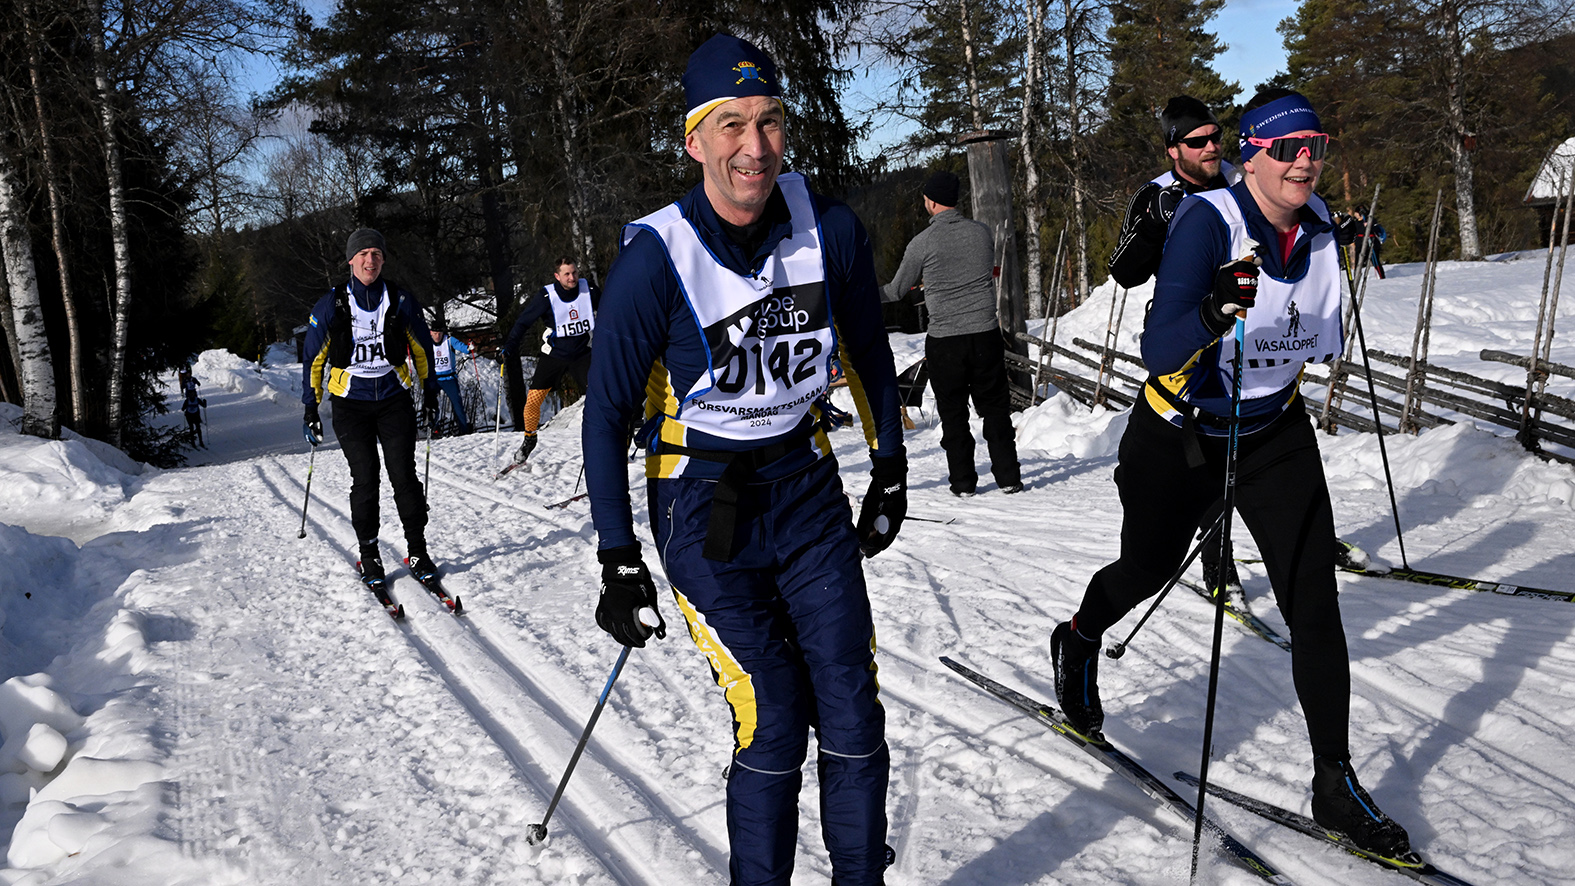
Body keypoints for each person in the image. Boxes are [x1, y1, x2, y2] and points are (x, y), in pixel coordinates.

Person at [1051, 89, 1414, 860]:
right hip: (1179, 433)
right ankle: (1079, 639)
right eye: (1286, 147)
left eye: (1314, 144)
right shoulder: (1204, 223)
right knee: (1144, 568)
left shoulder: (1314, 223)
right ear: (1250, 153)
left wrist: (1358, 236)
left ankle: (1333, 783)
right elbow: (1157, 351)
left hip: (1273, 431)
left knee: (1313, 602)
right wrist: (1214, 312)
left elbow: (1306, 310)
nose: (1304, 159)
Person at [582, 34, 905, 886]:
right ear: (694, 142)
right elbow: (608, 413)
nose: (752, 147)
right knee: (771, 711)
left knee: (849, 705)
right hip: (702, 501)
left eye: (767, 122)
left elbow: (869, 352)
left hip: (803, 489)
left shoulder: (826, 226)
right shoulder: (655, 257)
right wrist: (617, 556)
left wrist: (891, 465)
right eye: (730, 125)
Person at [302, 228, 443, 587]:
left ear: (383, 259)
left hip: (394, 400)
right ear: (351, 260)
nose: (370, 260)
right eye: (363, 254)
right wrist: (310, 408)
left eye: (376, 254)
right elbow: (314, 361)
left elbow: (423, 348)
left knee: (404, 476)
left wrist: (430, 392)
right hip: (351, 405)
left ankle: (418, 550)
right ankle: (369, 554)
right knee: (365, 478)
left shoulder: (399, 299)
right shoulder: (332, 304)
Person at [881, 170, 1023, 497]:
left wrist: (861, 293)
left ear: (931, 201)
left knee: (954, 413)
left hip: (945, 340)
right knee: (995, 409)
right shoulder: (982, 233)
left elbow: (898, 290)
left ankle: (963, 483)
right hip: (985, 334)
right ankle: (1009, 477)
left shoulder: (922, 243)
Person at [500, 258, 599, 465]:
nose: (572, 278)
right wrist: (510, 346)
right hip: (554, 355)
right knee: (533, 401)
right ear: (557, 276)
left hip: (583, 354)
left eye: (574, 273)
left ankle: (606, 442)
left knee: (599, 397)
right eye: (566, 274)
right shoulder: (547, 296)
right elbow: (523, 322)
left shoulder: (588, 289)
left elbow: (612, 309)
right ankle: (529, 439)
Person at [427, 320, 473, 435]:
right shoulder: (426, 341)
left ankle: (464, 430)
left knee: (457, 404)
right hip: (434, 378)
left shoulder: (449, 340)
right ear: (431, 332)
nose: (437, 336)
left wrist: (469, 348)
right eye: (435, 333)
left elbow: (463, 348)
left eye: (440, 333)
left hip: (449, 378)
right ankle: (432, 428)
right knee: (430, 403)